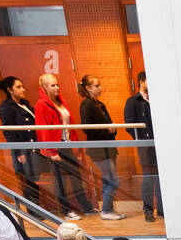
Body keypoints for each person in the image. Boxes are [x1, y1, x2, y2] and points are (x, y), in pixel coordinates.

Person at [35, 73, 96, 221]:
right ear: (44, 87)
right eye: (53, 85)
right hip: (55, 147)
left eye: (57, 84)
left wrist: (76, 146)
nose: (57, 88)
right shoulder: (41, 104)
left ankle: (86, 207)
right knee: (61, 180)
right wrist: (51, 150)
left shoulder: (61, 101)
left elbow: (71, 126)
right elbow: (42, 129)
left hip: (68, 145)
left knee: (76, 176)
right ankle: (66, 210)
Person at [78, 74, 125, 221]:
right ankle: (106, 210)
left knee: (108, 180)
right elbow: (86, 128)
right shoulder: (86, 105)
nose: (100, 88)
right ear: (88, 88)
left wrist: (112, 129)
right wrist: (107, 130)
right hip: (98, 148)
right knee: (113, 180)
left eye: (99, 85)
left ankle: (108, 209)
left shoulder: (100, 104)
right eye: (97, 85)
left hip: (108, 146)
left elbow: (110, 125)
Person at [0, 76, 41, 207]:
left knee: (34, 179)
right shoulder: (6, 107)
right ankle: (33, 210)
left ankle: (35, 208)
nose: (23, 89)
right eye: (18, 87)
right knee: (29, 180)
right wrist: (19, 152)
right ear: (9, 89)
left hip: (34, 147)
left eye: (22, 86)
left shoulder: (24, 104)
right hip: (23, 149)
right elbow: (8, 132)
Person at [123, 72, 161, 222]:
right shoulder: (133, 101)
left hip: (159, 144)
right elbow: (129, 125)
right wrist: (141, 139)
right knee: (148, 177)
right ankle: (148, 209)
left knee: (160, 178)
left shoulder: (156, 98)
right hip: (145, 145)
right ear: (141, 82)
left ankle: (163, 209)